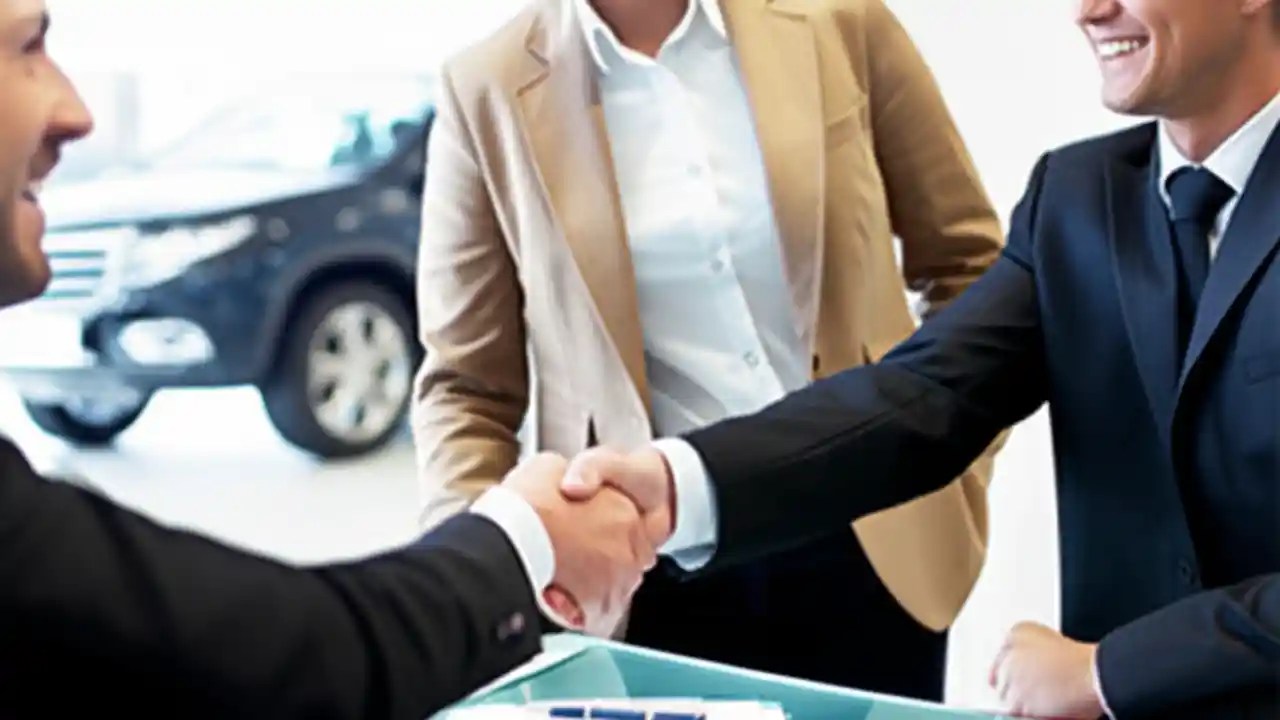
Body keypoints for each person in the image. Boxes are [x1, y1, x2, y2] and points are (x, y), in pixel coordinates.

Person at [556, 0, 1280, 717]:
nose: (1090, 11)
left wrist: (1108, 672)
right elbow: (919, 398)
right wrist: (670, 485)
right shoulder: (1078, 198)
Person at [0, 2, 653, 716]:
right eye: (27, 49)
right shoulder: (485, 79)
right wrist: (522, 538)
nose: (76, 112)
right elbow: (296, 655)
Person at [412, 0, 1003, 699]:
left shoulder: (838, 19)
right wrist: (488, 583)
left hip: (872, 528)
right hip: (645, 570)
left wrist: (955, 454)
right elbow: (465, 387)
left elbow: (970, 268)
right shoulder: (487, 84)